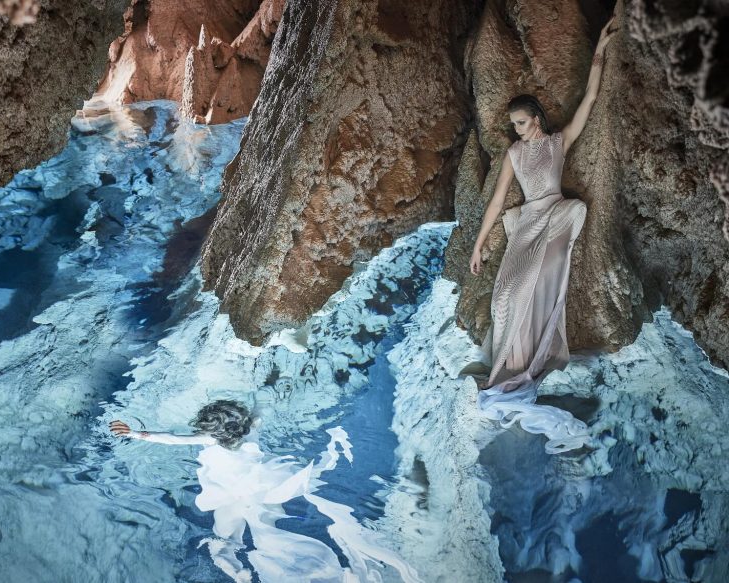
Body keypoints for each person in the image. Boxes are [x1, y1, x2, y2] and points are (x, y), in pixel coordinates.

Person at [461, 16, 619, 453]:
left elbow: (590, 98)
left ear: (537, 119)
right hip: (527, 223)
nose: (517, 130)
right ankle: (509, 369)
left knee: (532, 286)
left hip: (555, 213)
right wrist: (477, 245)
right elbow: (496, 202)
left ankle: (527, 364)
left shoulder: (558, 142)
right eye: (514, 125)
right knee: (504, 296)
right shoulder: (513, 153)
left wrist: (600, 51)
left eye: (522, 123)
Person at [109, 399, 422, 583]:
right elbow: (260, 407)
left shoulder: (209, 441)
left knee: (224, 537)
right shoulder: (250, 428)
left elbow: (172, 438)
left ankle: (238, 573)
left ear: (212, 431)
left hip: (230, 493)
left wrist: (136, 433)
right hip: (265, 485)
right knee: (266, 530)